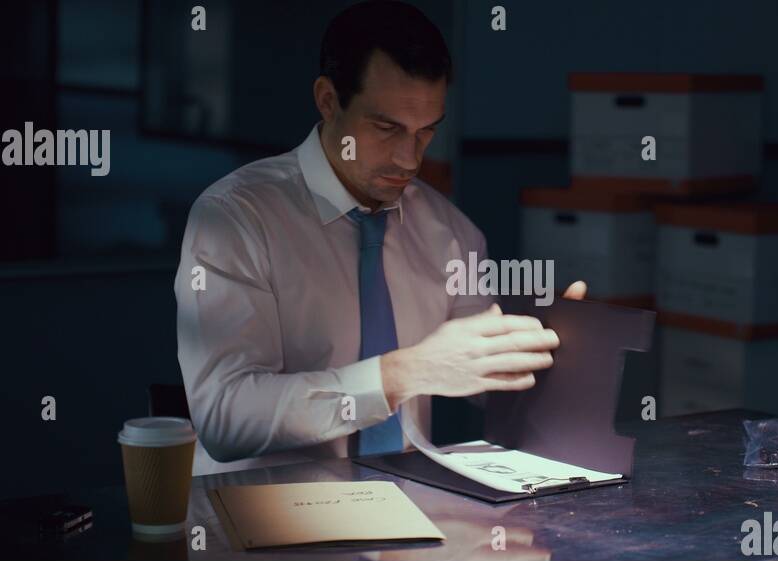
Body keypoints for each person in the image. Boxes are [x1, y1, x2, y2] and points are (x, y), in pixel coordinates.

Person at [174, 1, 586, 474]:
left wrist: (544, 345)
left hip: (409, 504)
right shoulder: (235, 218)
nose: (409, 159)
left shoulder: (451, 232)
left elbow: (480, 377)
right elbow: (223, 416)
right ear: (328, 100)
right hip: (267, 508)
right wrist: (403, 373)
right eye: (387, 129)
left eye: (426, 132)